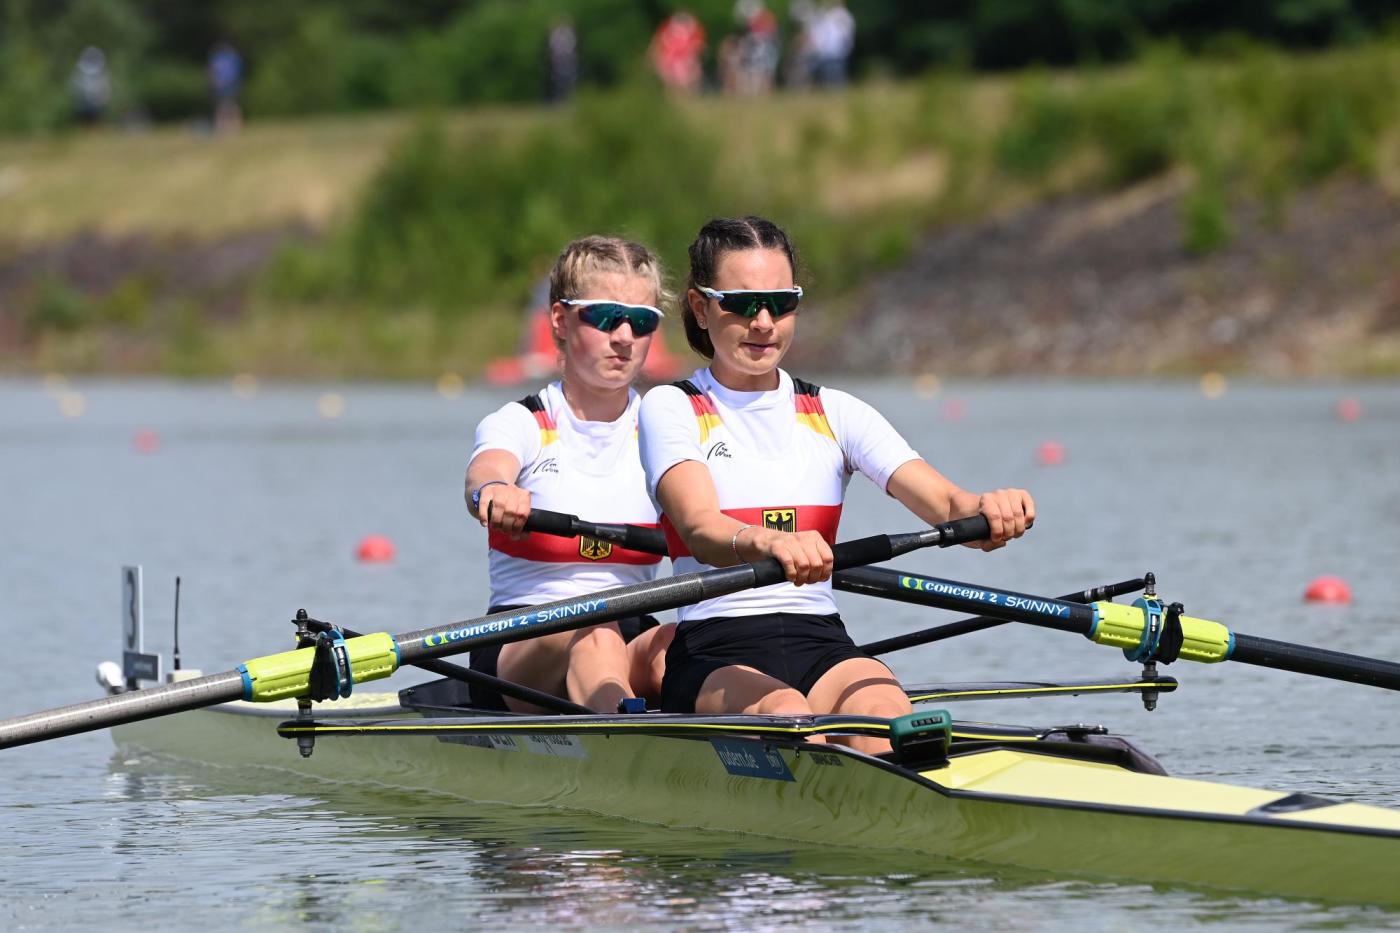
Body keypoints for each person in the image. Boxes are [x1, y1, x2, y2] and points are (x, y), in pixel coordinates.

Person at [638, 216, 1034, 752]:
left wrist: (989, 511)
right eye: (741, 302)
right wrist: (770, 541)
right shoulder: (673, 407)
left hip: (820, 640)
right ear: (701, 307)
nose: (762, 321)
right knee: (790, 715)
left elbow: (946, 504)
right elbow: (701, 527)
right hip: (715, 648)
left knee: (888, 716)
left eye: (781, 302)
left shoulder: (835, 412)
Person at [466, 236, 675, 713]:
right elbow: (485, 471)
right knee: (595, 631)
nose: (624, 336)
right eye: (605, 317)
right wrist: (496, 490)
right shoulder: (521, 422)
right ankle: (627, 751)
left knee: (690, 643)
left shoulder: (671, 433)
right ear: (559, 319)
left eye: (642, 322)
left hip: (628, 630)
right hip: (521, 643)